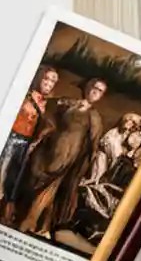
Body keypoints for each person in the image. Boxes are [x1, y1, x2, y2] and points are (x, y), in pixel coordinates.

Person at [16, 77, 107, 238]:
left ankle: (30, 221)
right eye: (94, 87)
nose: (95, 91)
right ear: (86, 86)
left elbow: (93, 146)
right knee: (33, 181)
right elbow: (50, 118)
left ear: (101, 96)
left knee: (50, 189)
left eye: (100, 91)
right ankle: (39, 224)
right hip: (49, 152)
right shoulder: (68, 103)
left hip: (69, 158)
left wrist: (86, 168)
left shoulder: (95, 118)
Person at [0, 65, 58, 225]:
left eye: (53, 81)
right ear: (39, 78)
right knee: (2, 174)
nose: (49, 83)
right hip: (12, 139)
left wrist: (38, 139)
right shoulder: (25, 96)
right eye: (46, 79)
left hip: (26, 144)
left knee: (14, 178)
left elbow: (48, 125)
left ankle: (3, 210)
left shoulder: (46, 104)